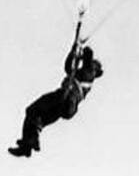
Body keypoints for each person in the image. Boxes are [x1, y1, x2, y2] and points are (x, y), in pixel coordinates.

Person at [9, 21, 104, 158]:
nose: (93, 62)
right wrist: (74, 50)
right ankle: (27, 145)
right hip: (66, 108)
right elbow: (67, 67)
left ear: (96, 69)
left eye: (95, 63)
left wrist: (79, 47)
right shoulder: (83, 74)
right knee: (37, 118)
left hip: (65, 98)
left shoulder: (90, 73)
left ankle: (30, 141)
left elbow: (88, 54)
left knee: (32, 110)